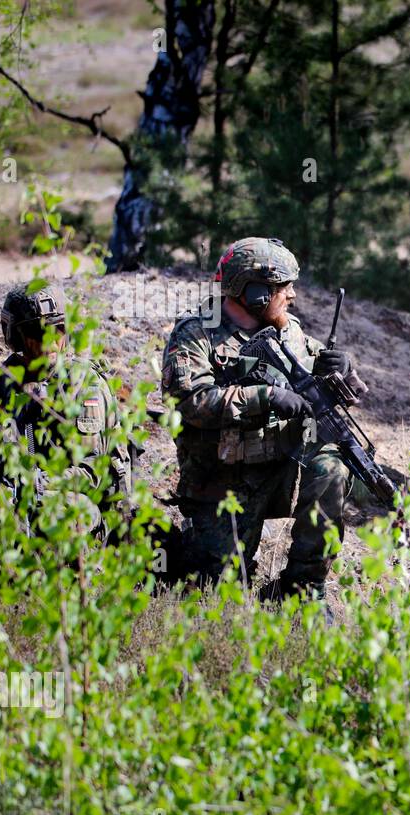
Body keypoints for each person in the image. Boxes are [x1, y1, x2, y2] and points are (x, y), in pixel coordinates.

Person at [161, 236, 364, 597]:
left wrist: (342, 369)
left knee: (332, 468)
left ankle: (302, 589)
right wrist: (265, 397)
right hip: (223, 478)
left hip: (282, 468)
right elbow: (190, 402)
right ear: (255, 293)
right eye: (283, 287)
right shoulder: (196, 334)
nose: (292, 295)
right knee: (213, 589)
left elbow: (314, 366)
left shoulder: (289, 329)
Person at [0, 281, 131, 598]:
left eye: (60, 329)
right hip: (19, 498)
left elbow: (90, 472)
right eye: (41, 333)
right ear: (19, 338)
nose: (52, 341)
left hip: (77, 503)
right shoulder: (9, 378)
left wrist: (39, 487)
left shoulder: (82, 384)